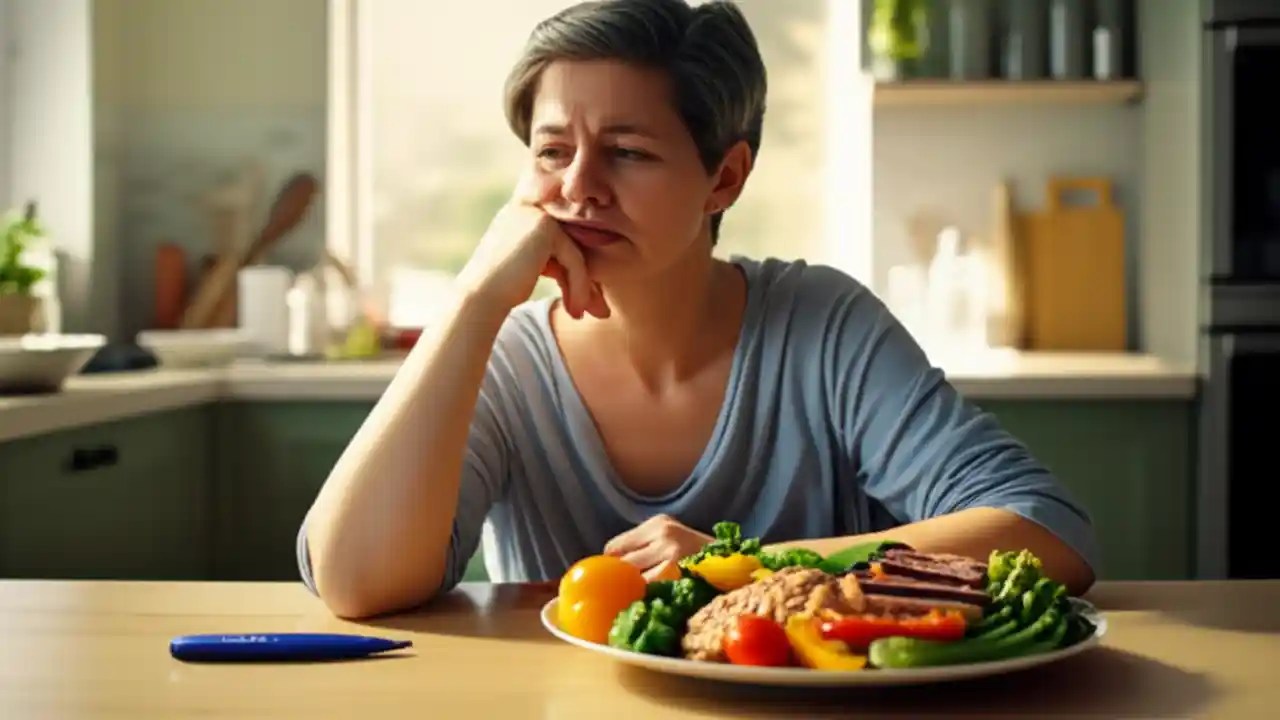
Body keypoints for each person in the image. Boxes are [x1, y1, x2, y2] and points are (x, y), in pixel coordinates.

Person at [298, 0, 1099, 620]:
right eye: (551, 151)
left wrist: (748, 564)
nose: (578, 187)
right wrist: (473, 300)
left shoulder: (823, 327)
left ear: (725, 178)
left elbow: (1046, 533)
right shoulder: (505, 359)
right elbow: (353, 583)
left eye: (627, 152)